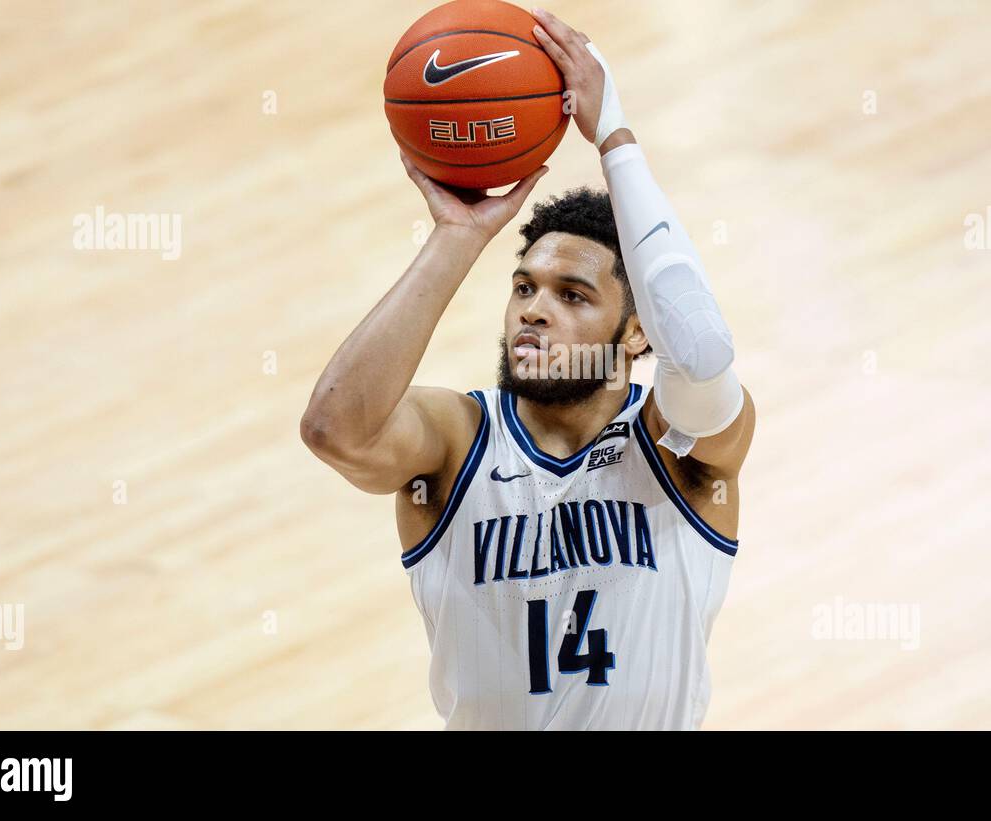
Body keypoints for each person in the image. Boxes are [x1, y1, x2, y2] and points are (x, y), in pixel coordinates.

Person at [302, 8, 754, 729]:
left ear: (638, 331)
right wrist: (458, 235)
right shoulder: (456, 442)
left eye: (572, 295)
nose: (533, 312)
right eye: (523, 287)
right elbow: (333, 429)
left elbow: (698, 346)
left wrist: (615, 135)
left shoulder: (682, 451)